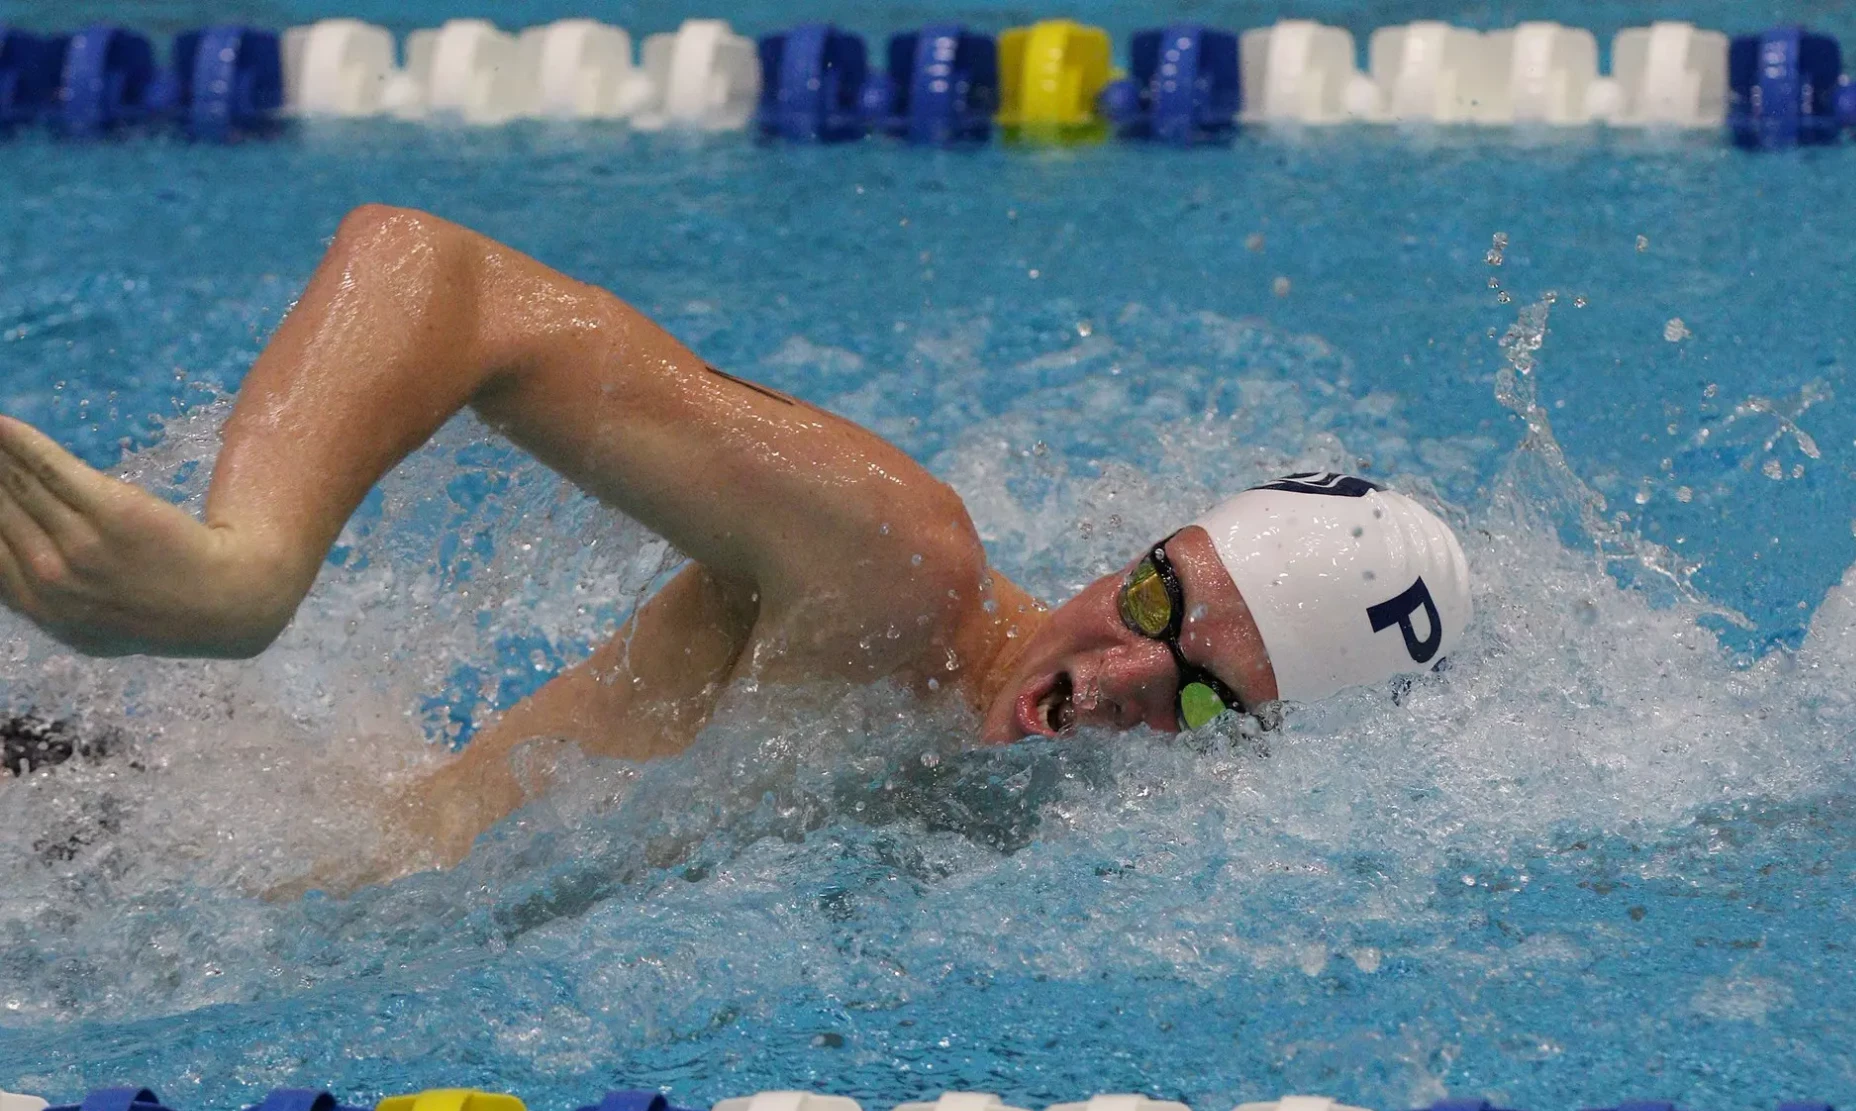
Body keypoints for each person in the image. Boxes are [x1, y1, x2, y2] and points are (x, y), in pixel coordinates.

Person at [0, 205, 1471, 867]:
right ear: (1141, 545)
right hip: (125, 856)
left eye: (1206, 698)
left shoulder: (1077, 843)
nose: (1127, 676)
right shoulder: (897, 572)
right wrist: (246, 570)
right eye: (1159, 596)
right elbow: (437, 272)